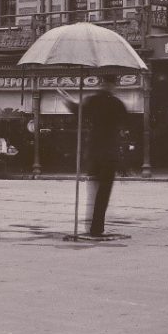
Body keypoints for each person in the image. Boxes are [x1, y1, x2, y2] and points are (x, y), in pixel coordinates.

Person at [60, 76, 126, 238]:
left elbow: (77, 111)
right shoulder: (116, 103)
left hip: (94, 152)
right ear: (112, 86)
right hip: (109, 153)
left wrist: (67, 100)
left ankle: (91, 224)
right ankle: (96, 227)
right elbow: (125, 122)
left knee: (93, 189)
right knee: (103, 192)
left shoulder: (92, 100)